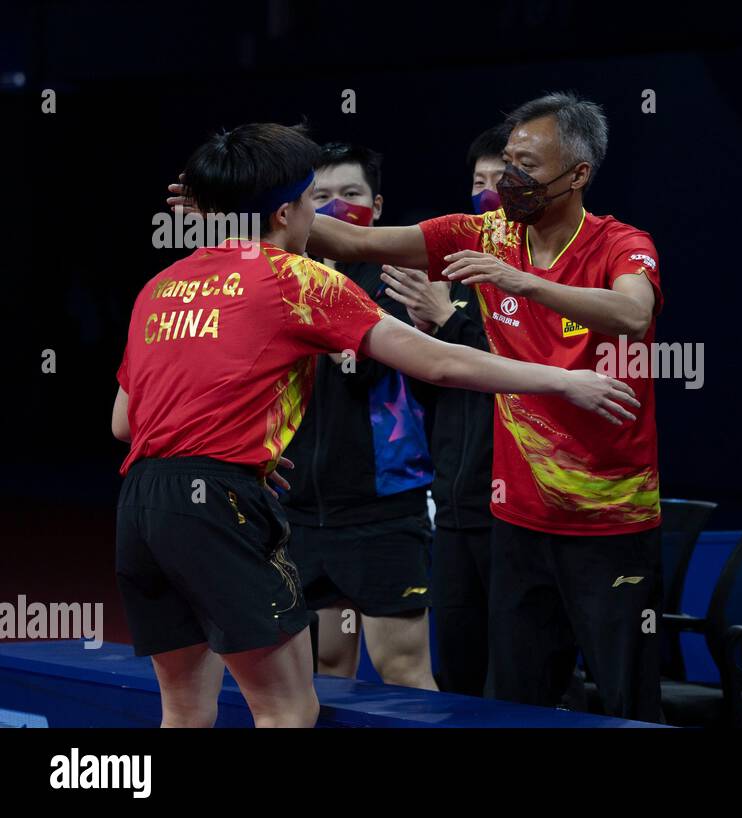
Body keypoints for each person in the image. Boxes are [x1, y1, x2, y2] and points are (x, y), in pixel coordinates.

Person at [124, 122, 640, 727]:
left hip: (140, 508)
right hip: (223, 505)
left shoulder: (161, 285)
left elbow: (125, 420)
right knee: (287, 709)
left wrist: (235, 438)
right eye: (314, 203)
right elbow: (439, 361)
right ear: (289, 211)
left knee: (183, 710)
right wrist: (561, 379)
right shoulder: (297, 279)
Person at [297, 92, 665, 721]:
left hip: (610, 522)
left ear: (577, 175)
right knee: (514, 700)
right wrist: (239, 205)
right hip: (518, 522)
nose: (510, 180)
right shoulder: (480, 233)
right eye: (507, 162)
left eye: (526, 166)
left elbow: (634, 313)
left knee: (626, 703)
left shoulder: (618, 244)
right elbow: (349, 239)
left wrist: (523, 282)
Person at [279, 142, 438, 689]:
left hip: (382, 509)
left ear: (377, 204)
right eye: (319, 197)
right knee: (323, 669)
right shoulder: (280, 280)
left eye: (351, 194)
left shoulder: (395, 279)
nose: (335, 207)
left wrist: (327, 268)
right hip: (298, 508)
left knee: (402, 670)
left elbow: (362, 366)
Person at [378, 123, 510, 696]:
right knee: (457, 669)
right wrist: (429, 331)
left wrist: (450, 324)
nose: (486, 192)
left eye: (500, 179)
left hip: (514, 511)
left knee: (516, 672)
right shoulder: (454, 278)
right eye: (477, 180)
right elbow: (441, 395)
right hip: (454, 509)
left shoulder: (541, 279)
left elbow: (522, 379)